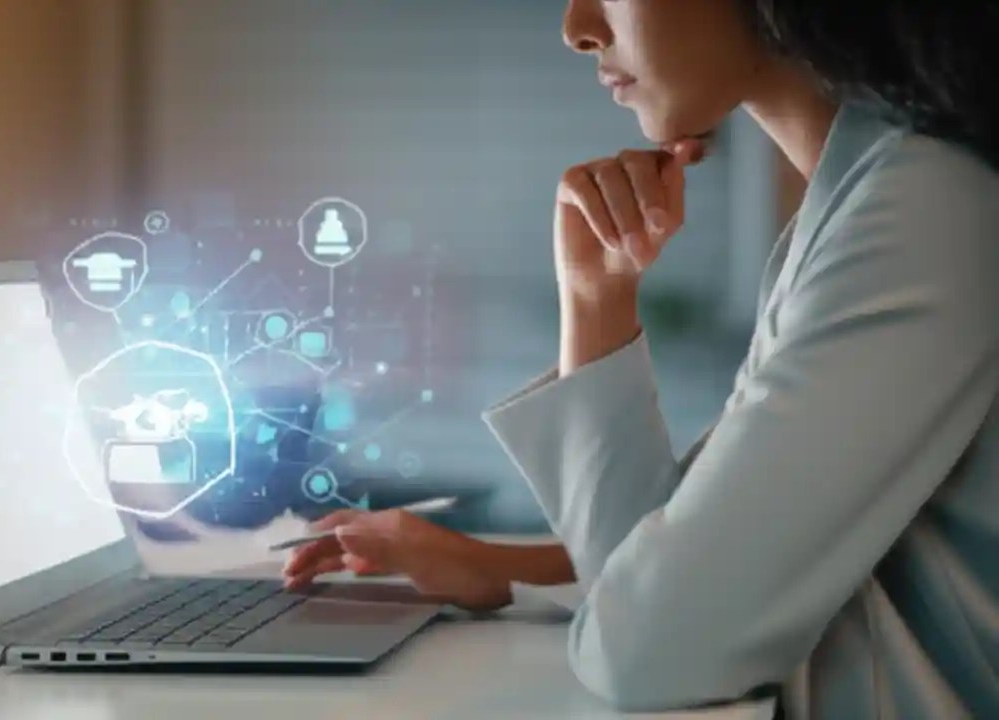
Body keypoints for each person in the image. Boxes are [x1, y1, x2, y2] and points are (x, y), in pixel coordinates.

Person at [281, 1, 999, 716]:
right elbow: (681, 546)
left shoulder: (918, 210)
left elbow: (646, 653)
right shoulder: (867, 200)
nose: (577, 27)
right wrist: (596, 298)